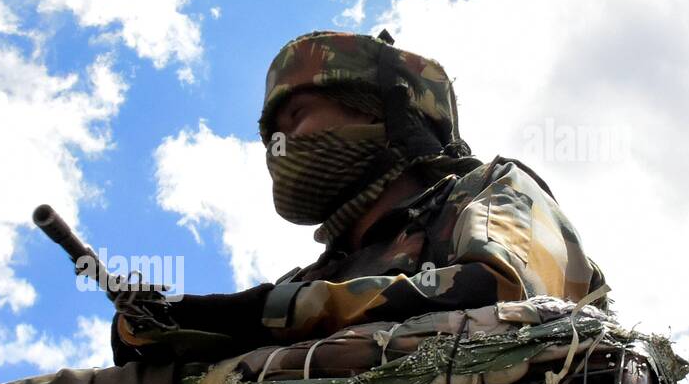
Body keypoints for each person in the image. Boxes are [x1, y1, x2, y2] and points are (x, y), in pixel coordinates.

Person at [112, 29, 607, 365]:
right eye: (270, 139)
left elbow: (505, 299)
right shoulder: (317, 274)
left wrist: (264, 314)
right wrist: (163, 333)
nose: (279, 149)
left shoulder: (492, 193)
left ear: (386, 114)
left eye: (298, 117)